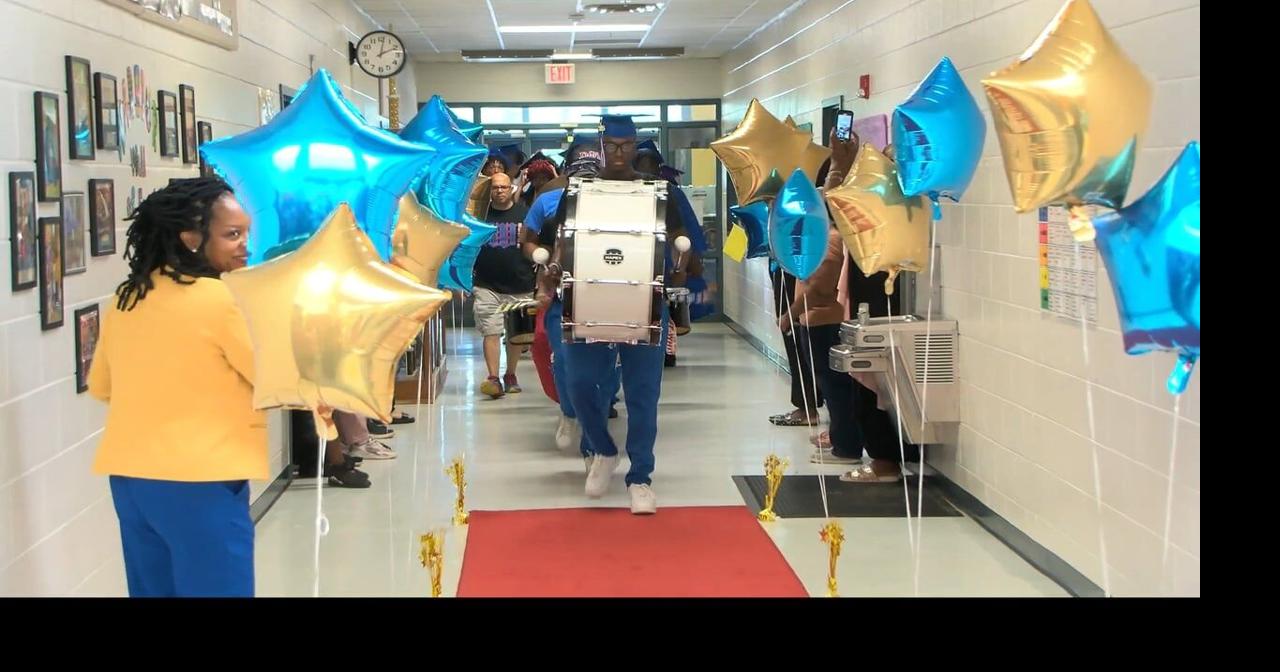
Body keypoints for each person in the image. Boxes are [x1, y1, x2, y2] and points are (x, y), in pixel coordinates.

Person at [88, 177, 264, 597]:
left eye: (245, 233)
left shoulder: (127, 298)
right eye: (232, 235)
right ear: (190, 239)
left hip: (132, 481)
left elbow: (102, 385)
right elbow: (272, 375)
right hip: (201, 481)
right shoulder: (219, 299)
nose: (245, 246)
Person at [533, 114, 700, 514]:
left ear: (636, 145)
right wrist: (552, 272)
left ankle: (640, 477)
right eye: (613, 146)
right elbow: (560, 240)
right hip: (587, 301)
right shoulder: (579, 191)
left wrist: (680, 263)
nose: (620, 153)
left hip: (644, 304)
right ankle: (601, 449)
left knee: (644, 395)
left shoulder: (658, 192)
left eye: (627, 146)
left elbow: (682, 245)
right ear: (602, 145)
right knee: (580, 383)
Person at [522, 156, 622, 456]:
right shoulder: (553, 210)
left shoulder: (617, 211)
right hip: (564, 298)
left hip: (606, 299)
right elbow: (538, 249)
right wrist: (544, 278)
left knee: (606, 371)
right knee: (564, 360)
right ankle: (568, 411)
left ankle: (593, 445)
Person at [472, 172, 535, 398]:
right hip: (486, 284)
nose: (499, 191)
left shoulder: (525, 215)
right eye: (495, 187)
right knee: (491, 331)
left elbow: (535, 244)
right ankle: (492, 378)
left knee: (515, 334)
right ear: (490, 190)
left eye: (504, 187)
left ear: (512, 189)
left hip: (520, 283)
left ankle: (510, 374)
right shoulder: (479, 215)